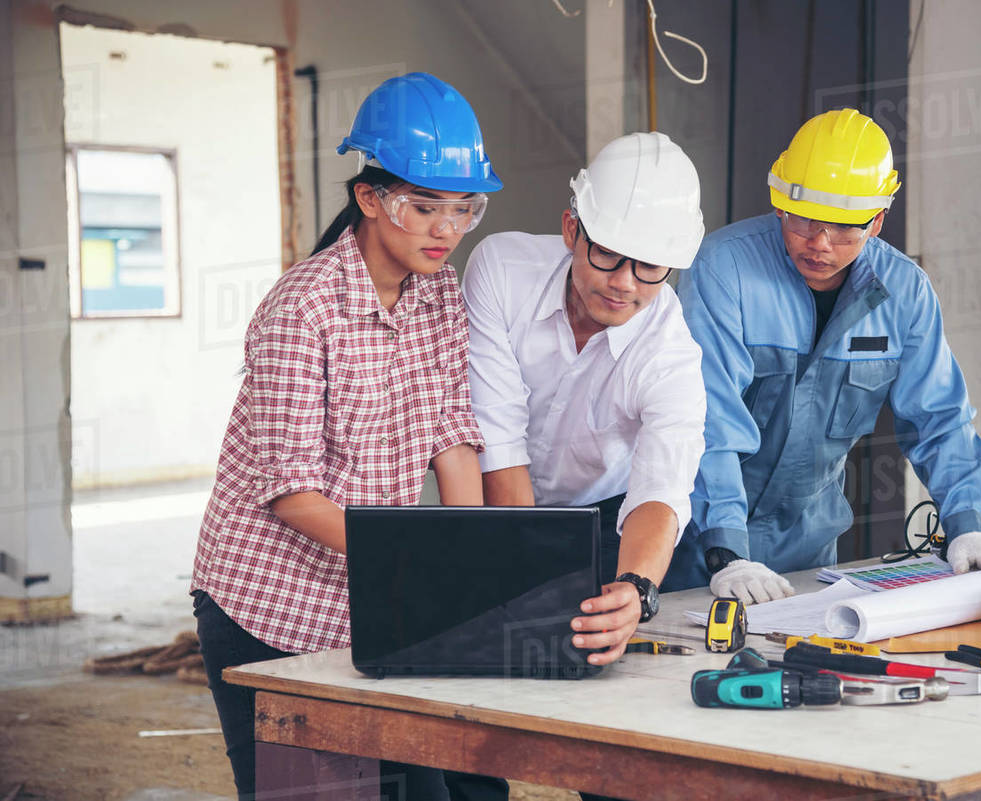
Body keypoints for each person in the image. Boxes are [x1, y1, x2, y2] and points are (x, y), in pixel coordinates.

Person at [190, 73, 506, 800]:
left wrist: (468, 556)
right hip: (268, 605)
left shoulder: (439, 291)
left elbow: (451, 432)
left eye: (464, 209)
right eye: (424, 207)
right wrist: (415, 563)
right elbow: (292, 494)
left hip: (372, 600)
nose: (446, 230)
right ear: (369, 198)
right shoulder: (302, 309)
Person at [662, 108, 981, 604]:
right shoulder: (723, 268)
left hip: (810, 552)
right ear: (780, 204)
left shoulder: (904, 291)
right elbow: (708, 419)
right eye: (804, 220)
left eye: (844, 227)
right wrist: (727, 550)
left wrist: (967, 523)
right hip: (697, 547)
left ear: (877, 221)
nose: (820, 244)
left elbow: (939, 419)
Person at [463, 131, 707, 668]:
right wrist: (528, 586)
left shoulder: (670, 353)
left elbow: (661, 488)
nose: (625, 284)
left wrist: (635, 589)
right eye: (608, 255)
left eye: (649, 266)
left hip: (611, 522)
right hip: (502, 503)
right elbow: (497, 442)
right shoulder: (502, 271)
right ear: (572, 229)